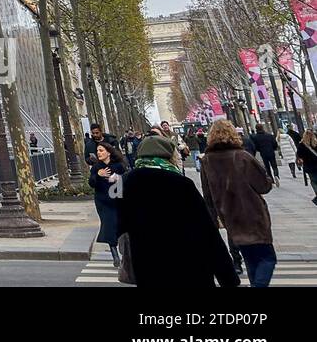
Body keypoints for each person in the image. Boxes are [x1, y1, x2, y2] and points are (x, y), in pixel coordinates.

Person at [116, 135, 239, 289]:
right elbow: (207, 234)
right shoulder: (181, 184)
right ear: (168, 155)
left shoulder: (124, 183)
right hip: (188, 266)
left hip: (148, 268)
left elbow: (119, 226)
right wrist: (228, 278)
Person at [201, 119, 275, 288]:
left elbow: (208, 195)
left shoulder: (207, 161)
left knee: (249, 260)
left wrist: (213, 218)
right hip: (252, 212)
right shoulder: (241, 156)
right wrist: (268, 180)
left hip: (229, 215)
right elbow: (263, 186)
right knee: (267, 258)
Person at [89, 140, 126, 268]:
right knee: (109, 225)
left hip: (117, 199)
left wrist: (116, 177)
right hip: (103, 201)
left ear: (108, 152)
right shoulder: (96, 167)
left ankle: (123, 252)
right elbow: (92, 183)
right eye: (97, 151)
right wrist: (98, 175)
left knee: (120, 225)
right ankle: (114, 254)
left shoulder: (119, 166)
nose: (98, 153)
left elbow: (124, 179)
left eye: (101, 150)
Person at [294, 128, 317, 205]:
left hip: (309, 167)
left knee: (313, 181)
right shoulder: (316, 143)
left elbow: (299, 156)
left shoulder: (301, 145)